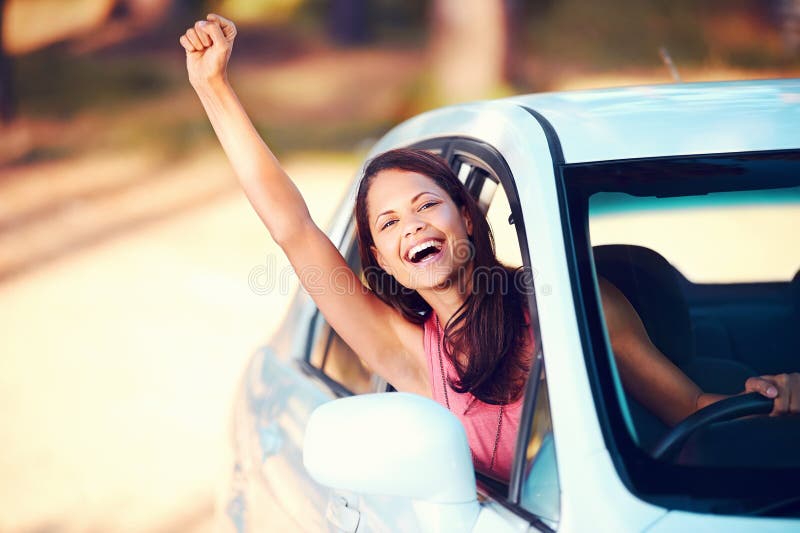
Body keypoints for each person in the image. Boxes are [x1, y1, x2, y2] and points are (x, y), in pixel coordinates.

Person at [179, 14, 800, 480]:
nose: (413, 226)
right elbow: (293, 230)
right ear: (382, 257)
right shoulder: (407, 353)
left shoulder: (577, 307)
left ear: (468, 222)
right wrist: (214, 89)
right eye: (389, 224)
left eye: (427, 206)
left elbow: (689, 405)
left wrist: (774, 399)